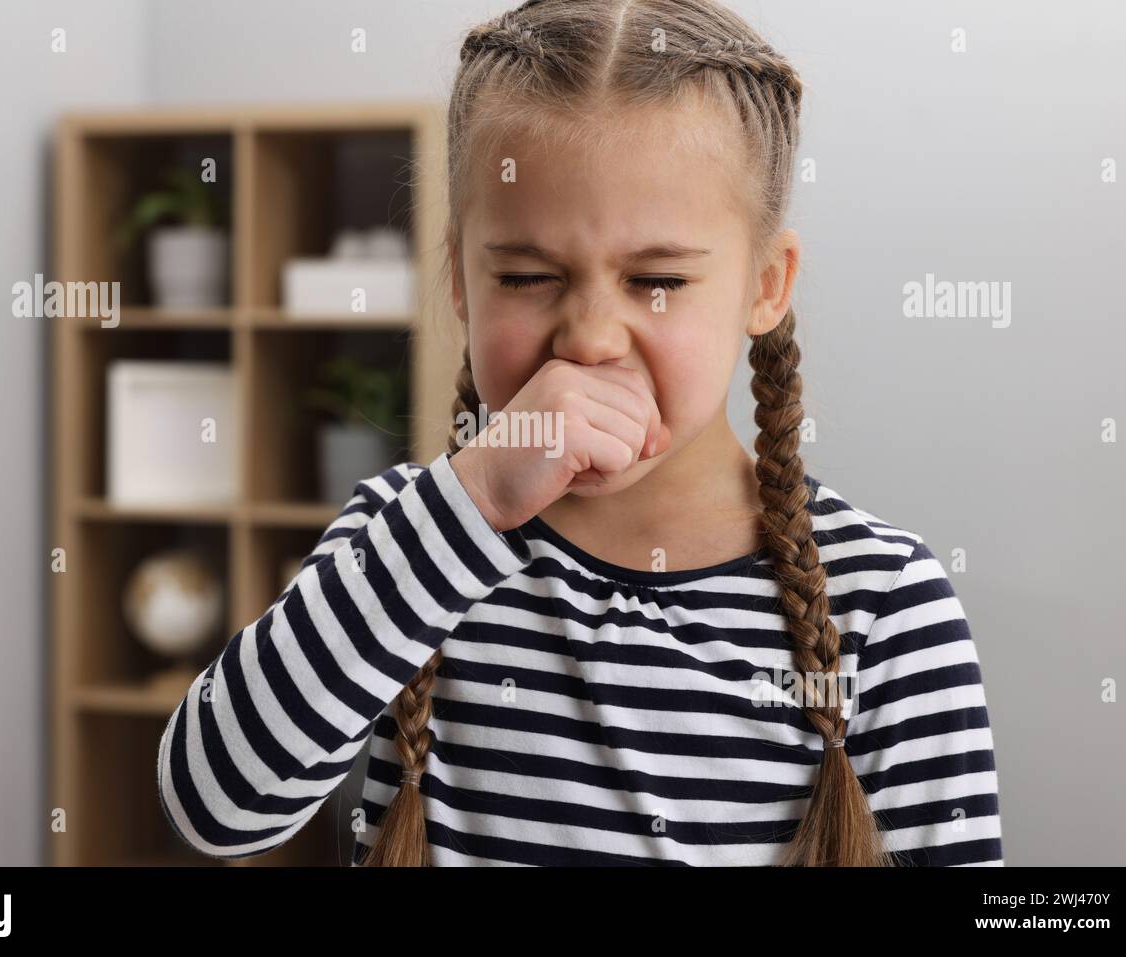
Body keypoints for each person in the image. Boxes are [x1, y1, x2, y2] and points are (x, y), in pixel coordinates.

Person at [157, 0, 1003, 867]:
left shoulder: (884, 603)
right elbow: (214, 804)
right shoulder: (408, 538)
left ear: (765, 283)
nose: (591, 337)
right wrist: (473, 499)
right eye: (527, 276)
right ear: (459, 276)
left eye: (659, 280)